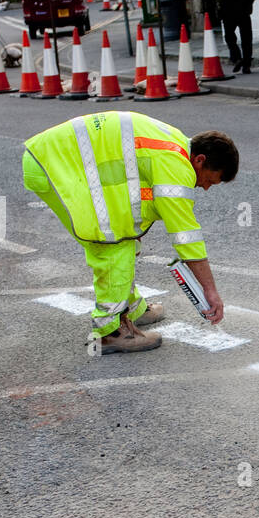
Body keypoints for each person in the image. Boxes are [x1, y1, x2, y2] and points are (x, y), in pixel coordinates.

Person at [23, 113, 240, 353]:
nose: (205, 187)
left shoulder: (175, 145)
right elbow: (185, 235)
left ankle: (132, 309)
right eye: (211, 180)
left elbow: (141, 191)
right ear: (199, 160)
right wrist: (210, 290)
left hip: (55, 158)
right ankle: (109, 332)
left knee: (125, 236)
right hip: (53, 164)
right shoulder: (176, 166)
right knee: (113, 243)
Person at [215, 0, 256, 74]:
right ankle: (247, 65)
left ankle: (237, 58)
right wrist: (248, 6)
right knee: (247, 39)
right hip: (244, 13)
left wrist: (221, 12)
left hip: (229, 15)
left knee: (230, 38)